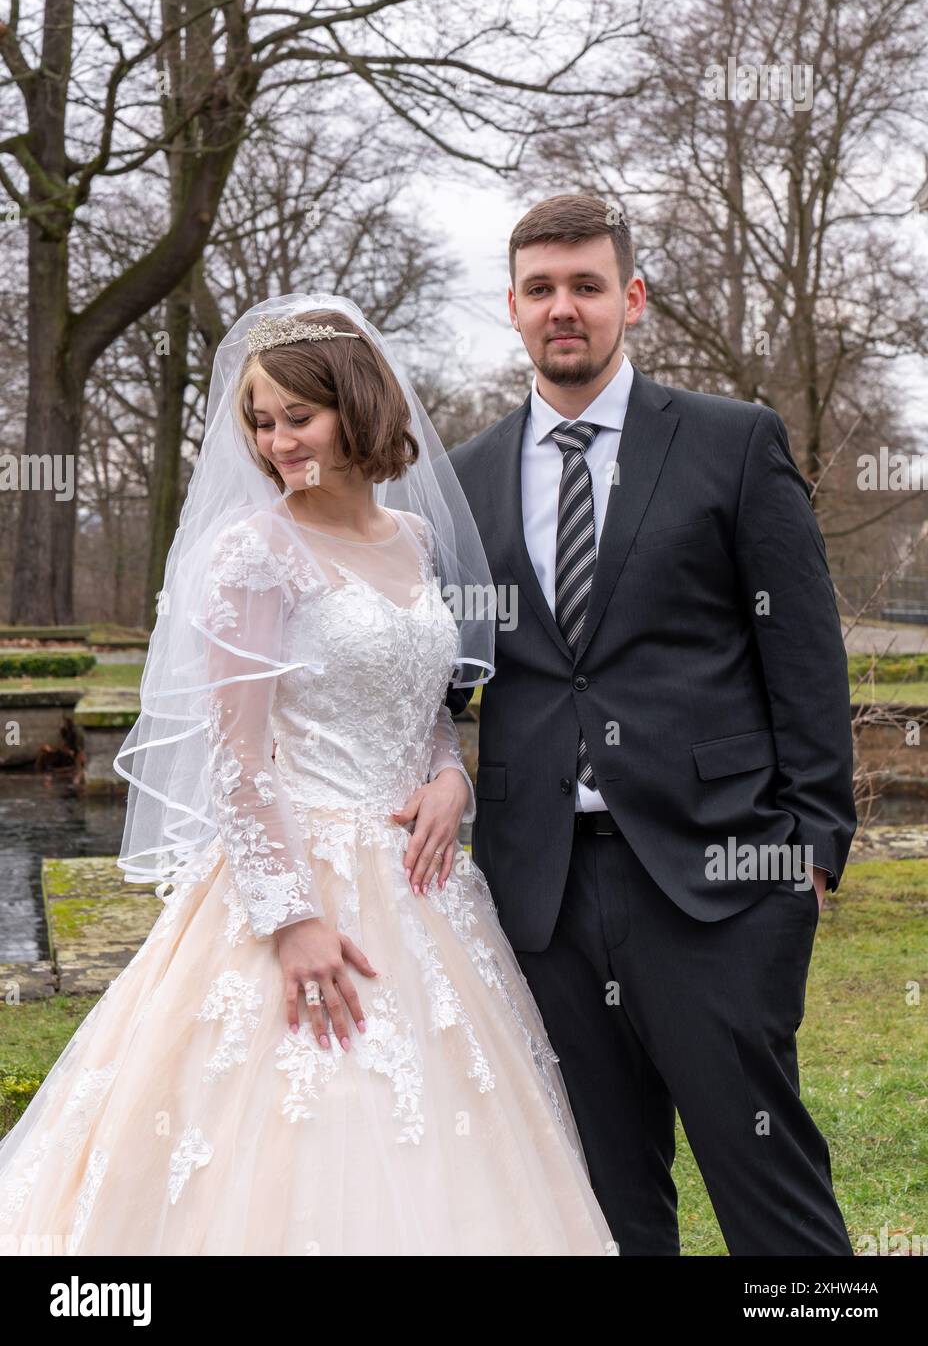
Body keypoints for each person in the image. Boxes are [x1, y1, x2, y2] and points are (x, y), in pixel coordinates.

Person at [0, 294, 614, 1256]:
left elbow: (427, 718)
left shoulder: (416, 543)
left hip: (425, 890)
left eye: (299, 415)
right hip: (297, 884)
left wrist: (451, 780)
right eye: (261, 419)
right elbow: (237, 762)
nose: (278, 440)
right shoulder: (252, 555)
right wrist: (290, 920)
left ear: (358, 406)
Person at [447, 194, 857, 1256]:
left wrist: (812, 847)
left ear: (630, 297)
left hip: (717, 876)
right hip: (541, 892)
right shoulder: (465, 478)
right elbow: (444, 676)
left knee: (768, 1192)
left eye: (586, 285)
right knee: (606, 1206)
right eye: (541, 289)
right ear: (513, 306)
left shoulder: (731, 442)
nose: (563, 308)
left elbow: (803, 653)